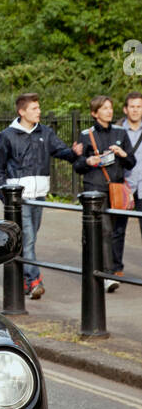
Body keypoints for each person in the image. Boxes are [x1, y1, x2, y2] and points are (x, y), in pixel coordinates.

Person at [0, 93, 83, 299]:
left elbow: (61, 151)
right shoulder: (7, 135)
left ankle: (23, 280)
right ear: (22, 111)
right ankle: (34, 280)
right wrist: (4, 195)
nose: (39, 111)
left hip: (39, 195)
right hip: (19, 198)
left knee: (28, 239)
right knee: (29, 239)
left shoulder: (46, 132)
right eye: (34, 108)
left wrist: (74, 152)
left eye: (38, 108)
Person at [74, 95, 135, 292]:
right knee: (105, 230)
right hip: (95, 187)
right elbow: (77, 165)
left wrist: (122, 154)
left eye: (110, 107)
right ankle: (108, 275)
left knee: (113, 231)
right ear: (95, 113)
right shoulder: (86, 135)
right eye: (104, 108)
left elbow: (131, 162)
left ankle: (98, 267)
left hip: (115, 189)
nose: (109, 111)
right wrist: (88, 161)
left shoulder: (120, 132)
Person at [111, 91, 142, 276]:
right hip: (123, 186)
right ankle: (116, 268)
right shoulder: (116, 131)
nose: (136, 110)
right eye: (132, 106)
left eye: (139, 106)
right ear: (125, 109)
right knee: (118, 230)